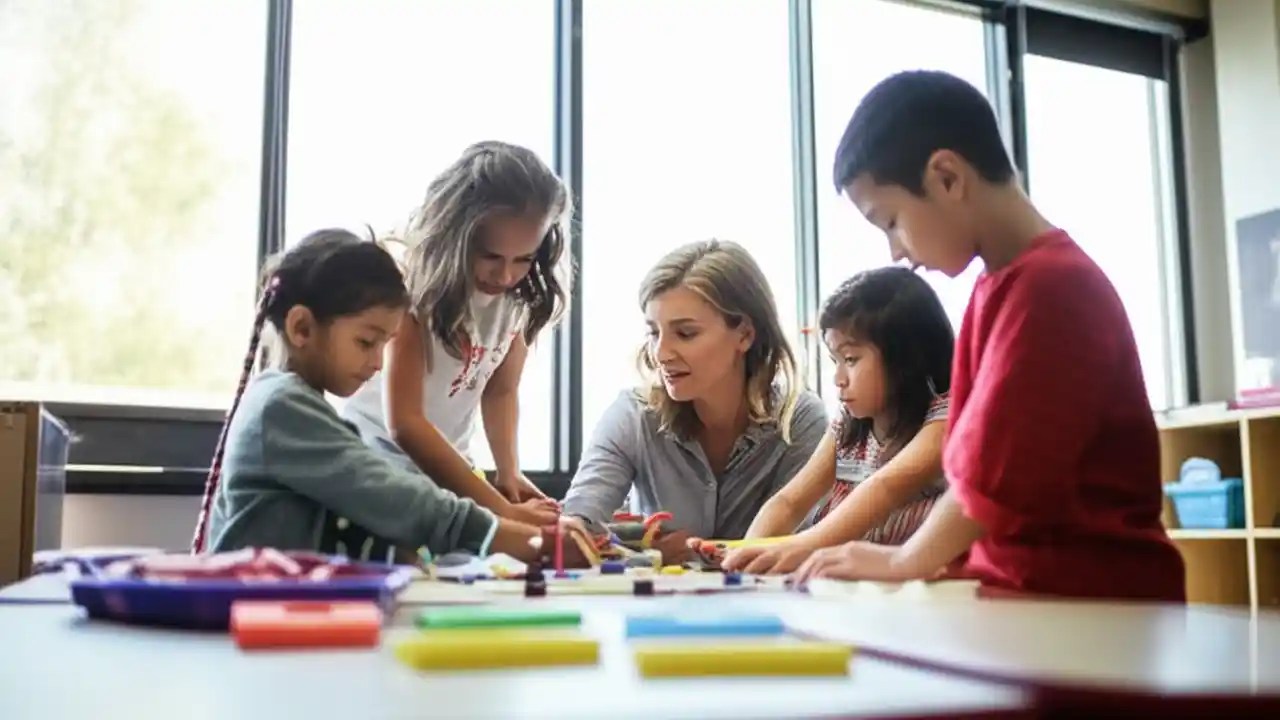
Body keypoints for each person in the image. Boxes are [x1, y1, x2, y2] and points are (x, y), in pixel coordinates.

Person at [790, 70, 1185, 602]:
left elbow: (992, 480)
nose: (895, 252)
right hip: (1024, 589)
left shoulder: (1053, 288)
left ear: (947, 178)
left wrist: (906, 558)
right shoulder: (992, 291)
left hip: (1092, 600)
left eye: (890, 221)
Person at [193, 229, 570, 564]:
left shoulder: (295, 404)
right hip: (252, 618)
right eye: (366, 342)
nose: (377, 364)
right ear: (302, 327)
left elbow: (350, 520)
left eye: (383, 346)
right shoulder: (280, 408)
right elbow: (393, 498)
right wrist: (526, 540)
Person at [342, 141, 572, 529]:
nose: (505, 276)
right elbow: (406, 425)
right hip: (374, 466)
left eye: (524, 259)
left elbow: (501, 390)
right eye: (490, 256)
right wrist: (504, 512)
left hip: (447, 469)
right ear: (456, 234)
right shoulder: (411, 292)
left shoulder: (514, 298)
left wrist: (508, 474)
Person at [561, 240, 827, 558]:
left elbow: (793, 544)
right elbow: (576, 524)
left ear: (744, 334)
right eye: (654, 333)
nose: (661, 353)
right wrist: (634, 544)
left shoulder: (800, 420)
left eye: (685, 334)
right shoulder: (633, 415)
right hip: (657, 603)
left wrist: (689, 552)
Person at [721, 267, 954, 575]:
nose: (838, 379)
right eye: (835, 361)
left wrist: (796, 547)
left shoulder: (948, 416)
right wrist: (745, 556)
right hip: (842, 581)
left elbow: (886, 487)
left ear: (905, 357)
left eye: (851, 359)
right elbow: (790, 502)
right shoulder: (848, 423)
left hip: (907, 587)